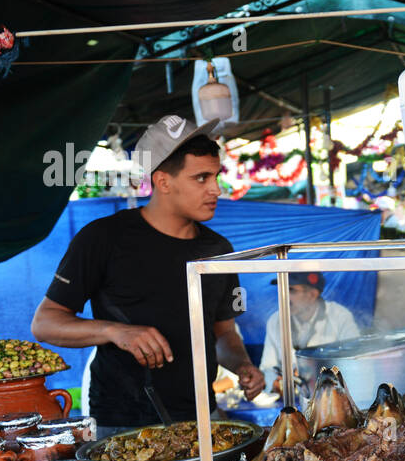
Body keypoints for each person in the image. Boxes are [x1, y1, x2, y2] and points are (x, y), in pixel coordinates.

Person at [31, 115, 264, 430]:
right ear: (163, 181)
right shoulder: (103, 238)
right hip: (122, 422)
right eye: (201, 178)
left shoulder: (219, 248)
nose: (216, 189)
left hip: (201, 418)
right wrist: (117, 332)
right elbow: (45, 323)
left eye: (216, 176)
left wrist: (243, 365)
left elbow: (224, 333)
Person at [259, 271, 362, 394]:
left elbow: (356, 362)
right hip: (291, 400)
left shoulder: (340, 317)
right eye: (282, 289)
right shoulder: (275, 320)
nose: (283, 296)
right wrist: (275, 381)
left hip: (331, 397)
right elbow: (267, 367)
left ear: (312, 294)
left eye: (291, 290)